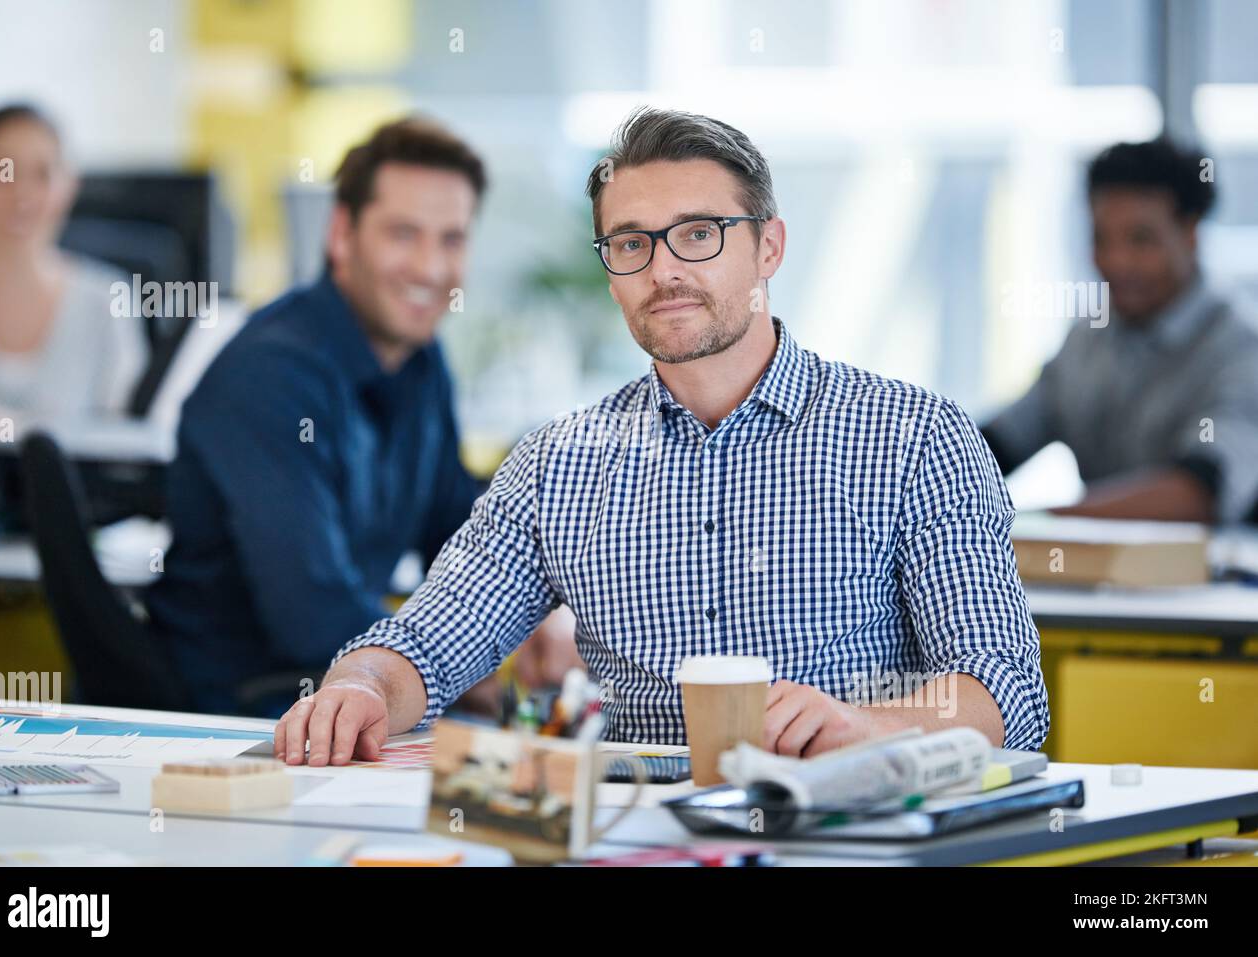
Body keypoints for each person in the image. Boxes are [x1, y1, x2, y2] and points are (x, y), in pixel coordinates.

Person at [275, 108, 1049, 766]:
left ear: (768, 247)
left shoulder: (915, 437)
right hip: (633, 837)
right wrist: (361, 687)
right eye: (631, 242)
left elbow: (1004, 690)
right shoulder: (559, 463)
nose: (664, 269)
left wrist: (870, 728)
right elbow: (427, 642)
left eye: (699, 234)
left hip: (842, 834)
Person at [147, 117, 574, 715]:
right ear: (342, 234)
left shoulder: (423, 361)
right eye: (404, 234)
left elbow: (456, 534)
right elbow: (311, 611)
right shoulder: (270, 376)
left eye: (452, 239)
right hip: (248, 708)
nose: (430, 268)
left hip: (348, 692)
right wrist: (473, 680)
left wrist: (536, 621)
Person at [981, 138, 1258, 523]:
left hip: (1213, 579)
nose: (1116, 262)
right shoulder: (1090, 336)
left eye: (1140, 240)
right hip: (1096, 577)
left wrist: (1043, 520)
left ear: (1190, 233)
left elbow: (1197, 494)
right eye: (1101, 239)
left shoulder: (1242, 348)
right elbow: (998, 444)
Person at [0, 104, 146, 449]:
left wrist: (16, 431)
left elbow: (126, 441)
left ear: (70, 186)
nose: (22, 195)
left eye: (42, 174)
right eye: (5, 172)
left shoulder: (107, 300)